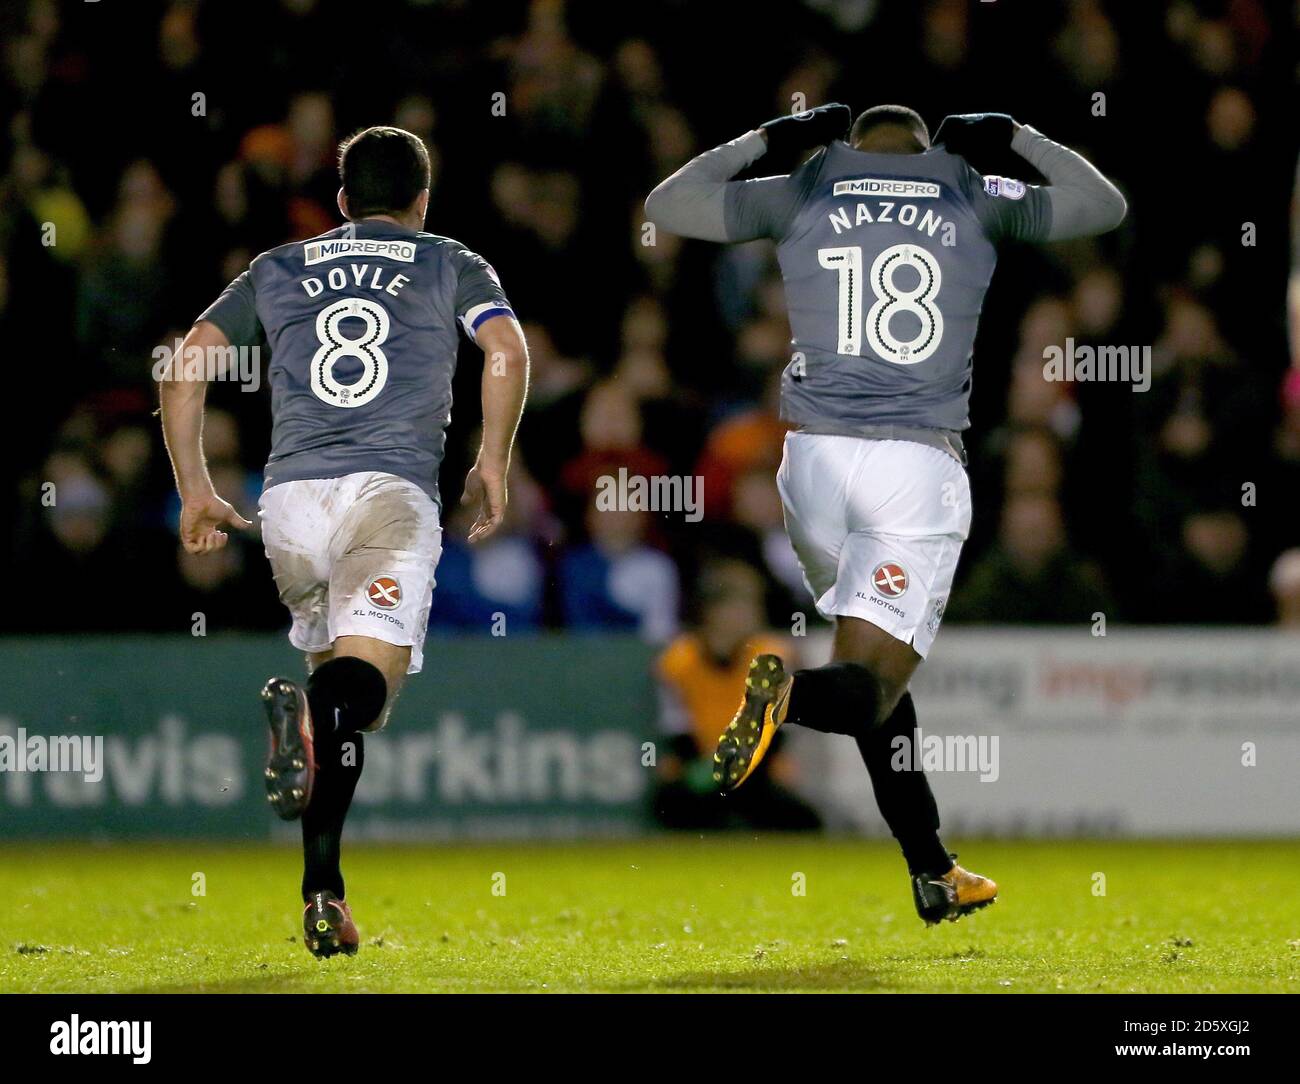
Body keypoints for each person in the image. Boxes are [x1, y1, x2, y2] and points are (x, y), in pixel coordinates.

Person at [645, 103, 1125, 924]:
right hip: (913, 465)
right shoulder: (971, 187)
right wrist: (1016, 137)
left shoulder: (808, 184)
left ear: (848, 141)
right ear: (929, 144)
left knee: (875, 676)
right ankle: (785, 699)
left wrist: (768, 136)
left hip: (812, 464)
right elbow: (1103, 204)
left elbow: (668, 205)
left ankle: (933, 869)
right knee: (865, 685)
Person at [158, 126, 529, 956]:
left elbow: (183, 368)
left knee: (338, 712)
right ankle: (309, 736)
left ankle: (322, 897)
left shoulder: (275, 267)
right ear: (422, 201)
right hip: (387, 495)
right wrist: (492, 461)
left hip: (289, 502)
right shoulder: (449, 260)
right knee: (364, 692)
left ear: (340, 204)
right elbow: (504, 348)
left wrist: (197, 489)